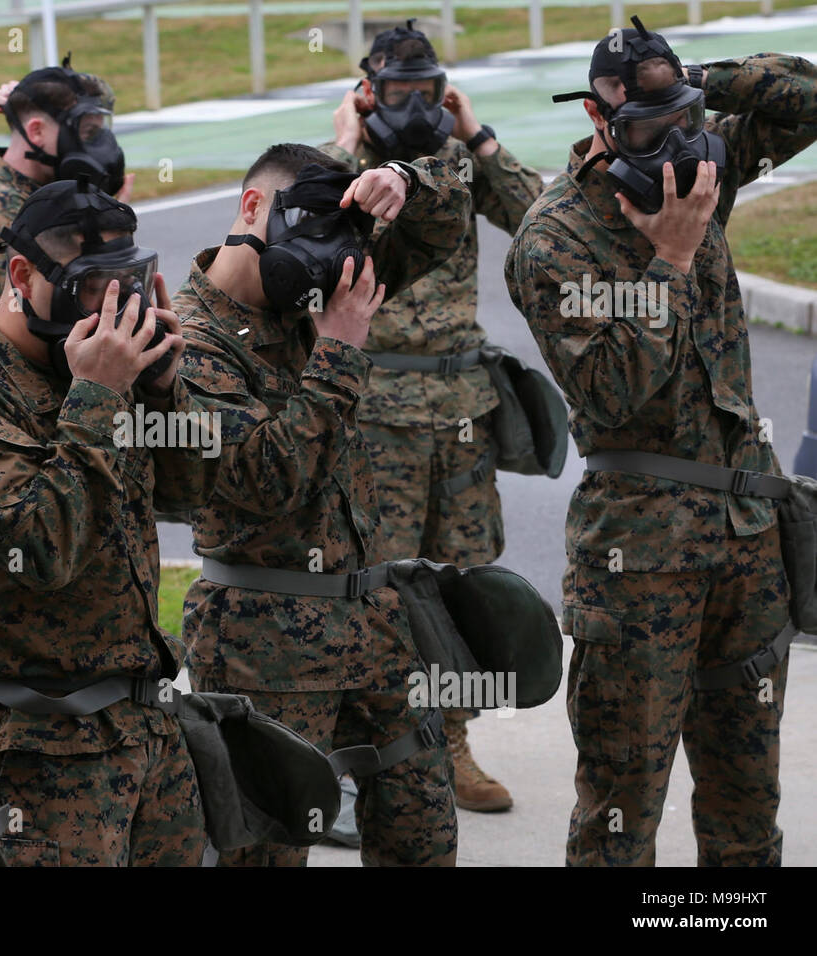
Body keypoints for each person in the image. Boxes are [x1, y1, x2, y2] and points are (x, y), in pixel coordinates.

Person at [505, 17, 817, 865]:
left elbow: (810, 100)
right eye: (649, 130)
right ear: (601, 122)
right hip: (638, 559)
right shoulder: (554, 237)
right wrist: (669, 263)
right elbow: (608, 389)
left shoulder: (703, 167)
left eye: (683, 120)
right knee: (620, 803)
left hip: (747, 545)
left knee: (748, 800)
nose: (674, 146)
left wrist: (704, 79)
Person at [174, 142, 470, 866]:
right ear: (253, 209)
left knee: (423, 836)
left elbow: (445, 224)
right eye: (310, 229)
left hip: (373, 625)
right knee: (268, 851)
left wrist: (402, 178)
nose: (328, 256)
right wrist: (339, 352)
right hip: (262, 646)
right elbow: (264, 480)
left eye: (341, 235)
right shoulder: (187, 340)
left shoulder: (323, 293)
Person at [0, 180, 215, 866]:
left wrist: (165, 390)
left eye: (127, 283)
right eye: (92, 286)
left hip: (146, 727)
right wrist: (98, 397)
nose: (113, 307)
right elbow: (43, 552)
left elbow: (192, 496)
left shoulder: (107, 365)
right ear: (22, 276)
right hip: (41, 751)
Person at [321, 20, 545, 813]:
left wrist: (477, 135)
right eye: (394, 92)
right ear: (365, 90)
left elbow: (541, 221)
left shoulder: (453, 162)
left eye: (427, 91)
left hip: (461, 411)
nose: (411, 106)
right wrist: (348, 145)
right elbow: (309, 231)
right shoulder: (347, 167)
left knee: (461, 583)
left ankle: (451, 743)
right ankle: (370, 748)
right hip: (376, 414)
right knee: (378, 588)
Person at [0, 57, 131, 314]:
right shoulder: (1, 206)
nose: (99, 147)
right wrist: (112, 233)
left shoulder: (50, 190)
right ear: (37, 132)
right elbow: (54, 312)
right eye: (88, 133)